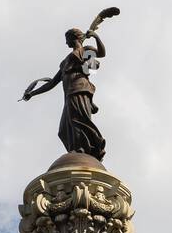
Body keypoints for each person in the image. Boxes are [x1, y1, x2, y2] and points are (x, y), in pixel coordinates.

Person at [22, 28, 108, 160]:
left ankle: (82, 149)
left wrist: (96, 36)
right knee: (63, 129)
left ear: (74, 38)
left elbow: (100, 55)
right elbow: (51, 83)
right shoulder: (65, 61)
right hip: (69, 93)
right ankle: (78, 148)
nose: (66, 43)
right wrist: (32, 93)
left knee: (78, 120)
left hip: (80, 88)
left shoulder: (85, 51)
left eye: (67, 39)